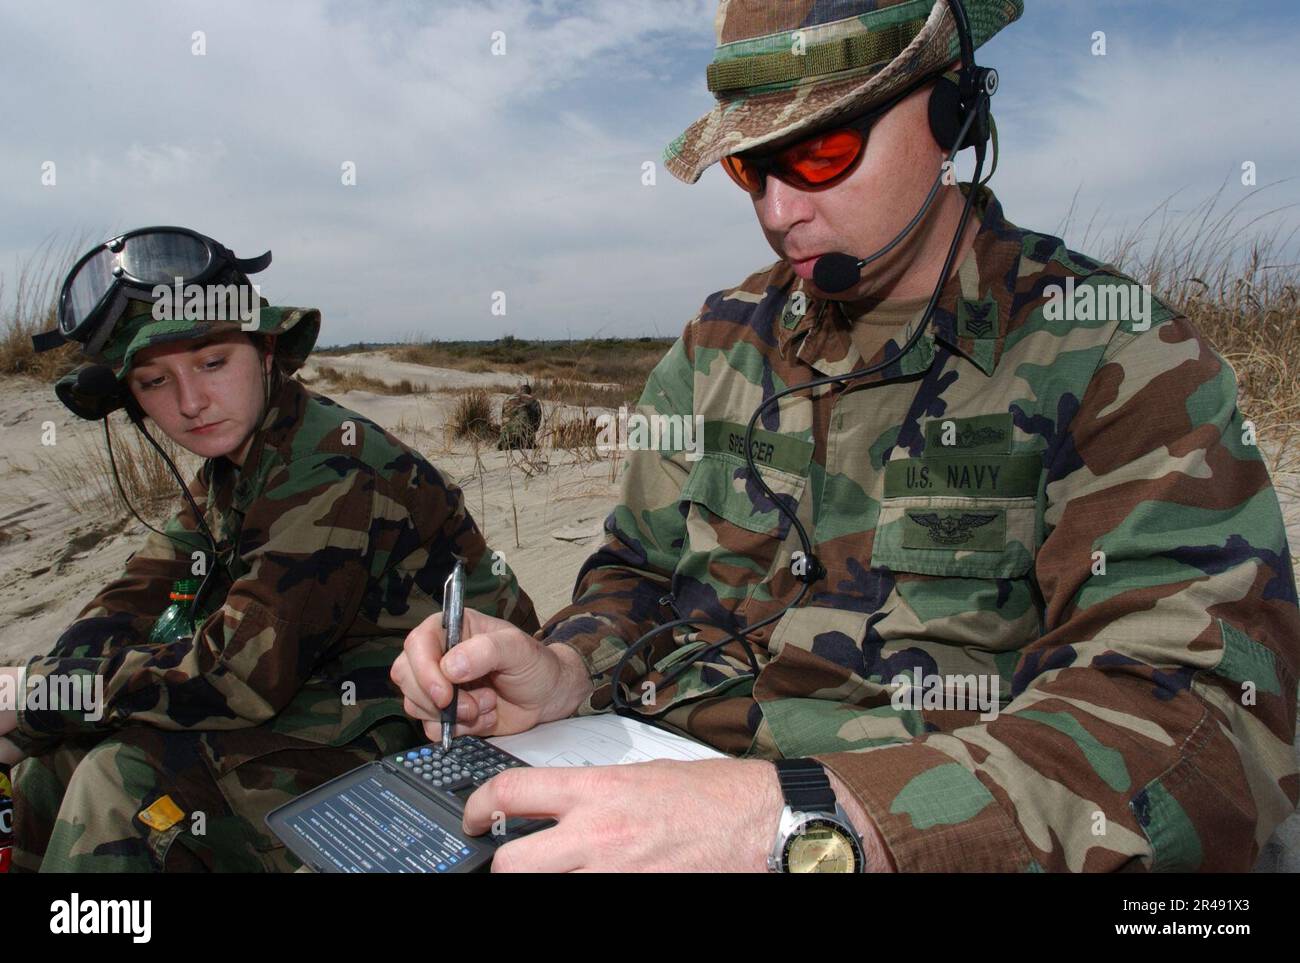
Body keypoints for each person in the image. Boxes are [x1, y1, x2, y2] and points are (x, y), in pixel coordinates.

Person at [393, 0, 1300, 872]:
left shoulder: (1117, 357)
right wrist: (567, 665)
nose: (779, 210)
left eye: (820, 151)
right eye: (752, 167)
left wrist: (819, 827)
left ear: (951, 110)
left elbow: (1202, 720)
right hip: (650, 807)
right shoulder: (718, 345)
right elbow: (635, 572)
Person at [0, 228, 538, 871]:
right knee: (44, 770)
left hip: (440, 724)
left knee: (121, 785)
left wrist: (40, 696)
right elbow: (136, 592)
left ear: (264, 351)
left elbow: (239, 677)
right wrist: (37, 703)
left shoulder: (329, 465)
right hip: (330, 687)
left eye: (212, 363)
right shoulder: (235, 462)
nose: (191, 402)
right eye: (154, 381)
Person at [498, 383, 542, 450]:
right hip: (524, 439)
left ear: (518, 390)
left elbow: (503, 419)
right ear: (529, 393)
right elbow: (537, 422)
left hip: (505, 438)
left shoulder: (507, 399)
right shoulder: (533, 400)